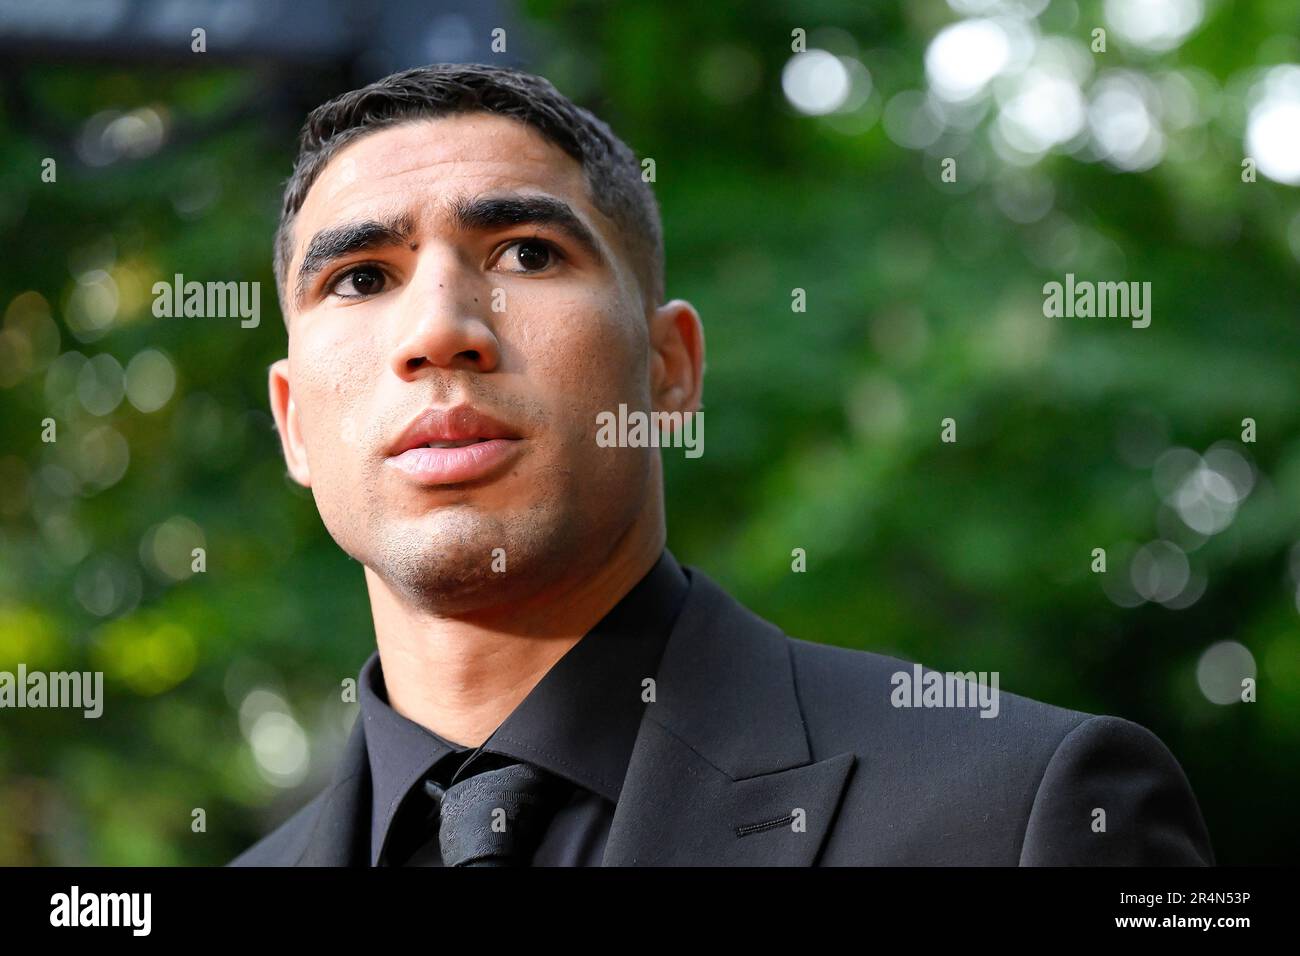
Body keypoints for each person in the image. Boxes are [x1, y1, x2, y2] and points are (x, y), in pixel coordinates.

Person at [230, 63, 1214, 866]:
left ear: (669, 370)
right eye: (360, 278)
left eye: (526, 254)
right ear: (293, 423)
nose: (439, 328)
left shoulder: (1026, 811)